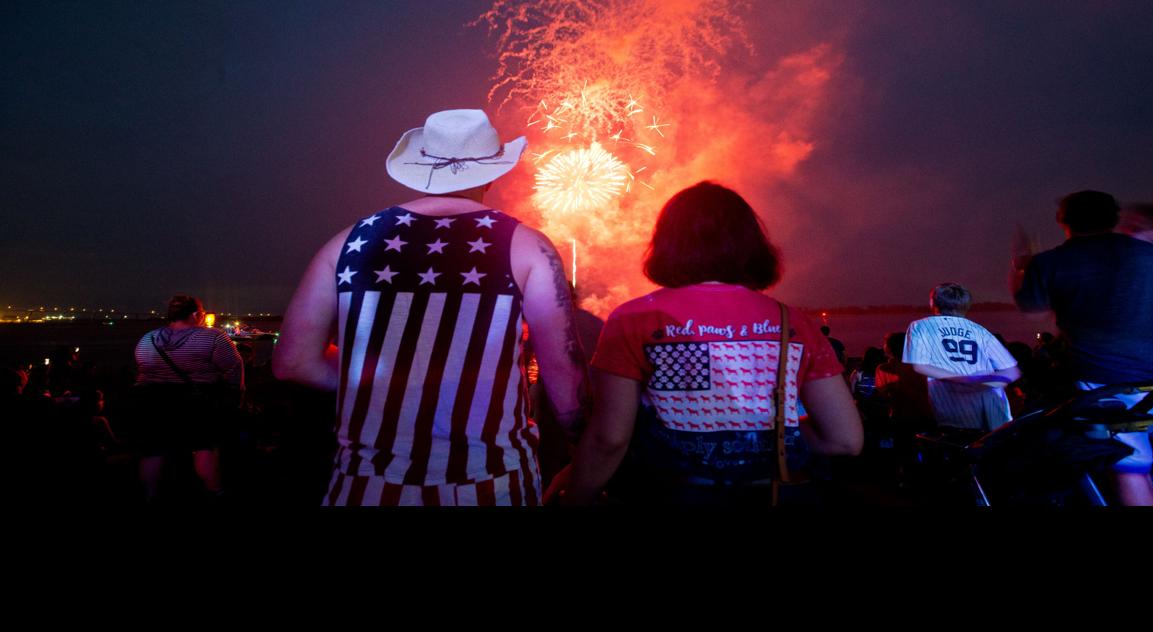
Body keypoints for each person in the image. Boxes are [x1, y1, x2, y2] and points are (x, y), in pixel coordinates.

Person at [275, 108, 584, 505]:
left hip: (368, 483)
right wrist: (583, 454)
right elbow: (566, 385)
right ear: (493, 172)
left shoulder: (347, 243)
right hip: (490, 482)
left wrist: (391, 385)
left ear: (421, 168)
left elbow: (292, 362)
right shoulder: (527, 247)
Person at [559, 181, 863, 506]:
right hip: (771, 494)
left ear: (666, 244)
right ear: (752, 245)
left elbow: (610, 438)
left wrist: (576, 495)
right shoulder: (794, 322)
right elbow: (846, 440)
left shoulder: (633, 319)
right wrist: (775, 433)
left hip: (671, 494)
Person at [1012, 190, 1153, 505]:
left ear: (1063, 221)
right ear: (1114, 219)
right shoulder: (1152, 255)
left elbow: (1032, 310)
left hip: (1109, 383)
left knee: (1130, 468)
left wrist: (1019, 270)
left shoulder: (1050, 263)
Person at [131, 293, 244, 502]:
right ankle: (216, 492)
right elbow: (233, 368)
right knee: (204, 447)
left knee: (153, 450)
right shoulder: (213, 337)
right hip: (195, 401)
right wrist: (235, 396)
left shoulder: (148, 338)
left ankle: (148, 495)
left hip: (152, 401)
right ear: (196, 314)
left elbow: (142, 369)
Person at [903, 282, 1020, 431]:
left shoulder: (920, 326)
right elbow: (1012, 371)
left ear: (933, 302)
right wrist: (985, 384)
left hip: (954, 410)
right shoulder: (979, 330)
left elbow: (920, 366)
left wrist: (962, 380)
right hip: (995, 409)